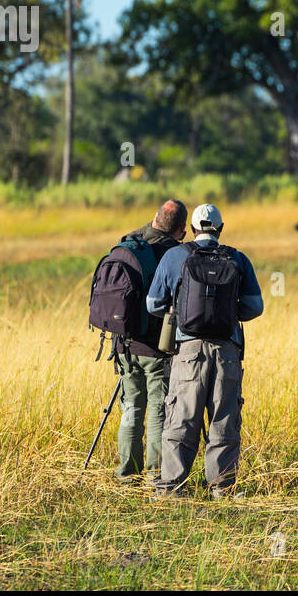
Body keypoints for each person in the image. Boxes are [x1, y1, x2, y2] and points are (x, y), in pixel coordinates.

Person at [147, 203, 263, 495]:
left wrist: (178, 309)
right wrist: (228, 312)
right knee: (224, 419)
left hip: (188, 352)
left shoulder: (175, 256)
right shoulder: (237, 258)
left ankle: (173, 488)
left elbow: (153, 304)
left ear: (193, 230)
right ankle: (222, 488)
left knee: (181, 419)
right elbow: (255, 307)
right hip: (227, 352)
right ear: (220, 230)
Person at [114, 199, 187, 479]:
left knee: (131, 408)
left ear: (155, 218)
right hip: (156, 345)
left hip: (123, 343)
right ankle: (155, 475)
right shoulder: (173, 252)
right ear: (181, 229)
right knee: (158, 409)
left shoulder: (129, 241)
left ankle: (126, 474)